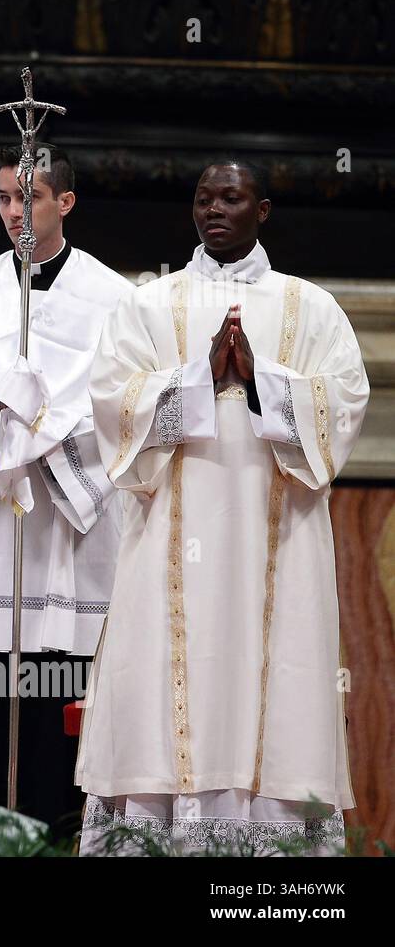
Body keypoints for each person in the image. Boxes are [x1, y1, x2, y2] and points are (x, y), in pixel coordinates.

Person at [77, 161, 368, 854]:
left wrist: (263, 381)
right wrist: (196, 380)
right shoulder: (149, 305)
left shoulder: (310, 307)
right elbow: (112, 411)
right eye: (203, 198)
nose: (214, 209)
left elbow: (344, 405)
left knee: (275, 680)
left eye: (230, 198)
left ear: (261, 209)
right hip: (169, 540)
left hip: (281, 543)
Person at [0, 144, 132, 835]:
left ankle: (68, 826)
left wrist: (44, 434)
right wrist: (1, 420)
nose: (14, 211)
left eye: (29, 198)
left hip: (68, 521)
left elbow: (126, 401)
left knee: (60, 675)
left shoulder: (115, 299)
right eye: (6, 198)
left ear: (63, 202)